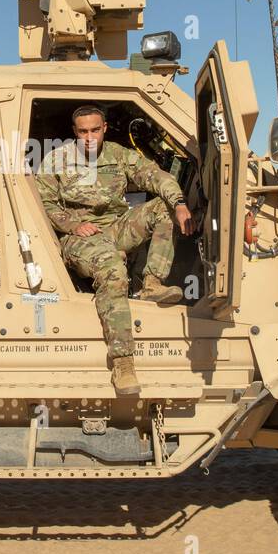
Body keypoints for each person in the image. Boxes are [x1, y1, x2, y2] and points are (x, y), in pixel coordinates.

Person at [35, 105, 194, 394]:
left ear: (104, 128)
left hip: (116, 228)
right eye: (82, 131)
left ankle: (152, 282)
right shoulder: (57, 160)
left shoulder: (119, 155)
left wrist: (180, 202)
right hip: (80, 238)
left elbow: (155, 176)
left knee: (164, 207)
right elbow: (41, 204)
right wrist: (71, 225)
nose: (89, 137)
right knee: (112, 269)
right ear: (74, 132)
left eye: (95, 130)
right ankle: (123, 363)